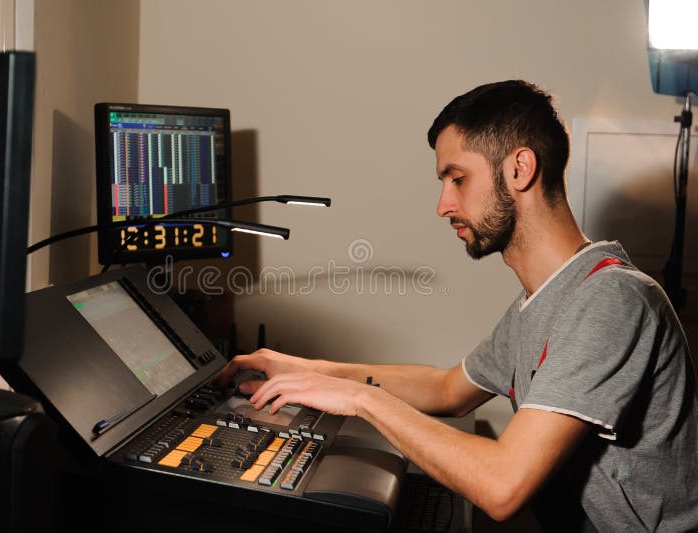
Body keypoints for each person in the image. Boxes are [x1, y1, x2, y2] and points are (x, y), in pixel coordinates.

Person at [216, 80, 698, 531]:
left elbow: (502, 485)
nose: (443, 205)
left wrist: (363, 400)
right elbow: (448, 389)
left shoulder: (609, 299)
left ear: (519, 169)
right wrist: (301, 370)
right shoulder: (547, 300)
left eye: (457, 178)